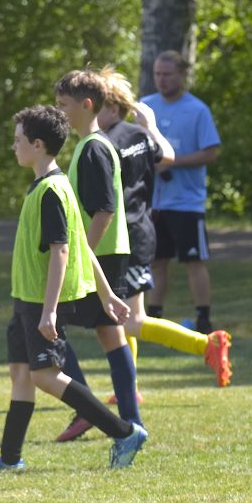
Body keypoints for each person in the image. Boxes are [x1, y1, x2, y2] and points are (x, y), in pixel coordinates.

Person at [0, 105, 147, 473]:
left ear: (38, 145)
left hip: (41, 301)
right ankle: (9, 458)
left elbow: (63, 251)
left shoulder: (53, 191)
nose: (14, 146)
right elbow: (82, 245)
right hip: (26, 298)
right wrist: (106, 293)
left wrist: (50, 311)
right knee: (21, 374)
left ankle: (124, 432)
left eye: (18, 140)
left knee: (45, 376)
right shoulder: (46, 185)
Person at [97, 66, 232, 391]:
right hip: (138, 232)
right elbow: (167, 155)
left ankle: (207, 344)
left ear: (112, 108)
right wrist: (152, 127)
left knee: (131, 321)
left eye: (93, 105)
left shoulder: (106, 142)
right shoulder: (136, 135)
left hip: (126, 237)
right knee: (124, 319)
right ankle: (127, 389)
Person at [52, 68, 144, 443]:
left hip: (98, 255)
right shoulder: (91, 145)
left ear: (86, 105)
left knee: (48, 325)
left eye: (63, 105)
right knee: (111, 335)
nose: (59, 112)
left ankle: (88, 409)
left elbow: (104, 210)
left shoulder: (93, 148)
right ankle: (131, 422)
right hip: (108, 253)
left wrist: (83, 255)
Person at [141, 50, 221, 334]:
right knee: (156, 262)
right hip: (154, 203)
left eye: (167, 74)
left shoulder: (197, 110)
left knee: (193, 261)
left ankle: (203, 318)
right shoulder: (145, 107)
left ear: (182, 74)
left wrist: (172, 161)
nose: (161, 80)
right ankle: (153, 318)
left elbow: (211, 152)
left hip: (187, 202)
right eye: (157, 74)